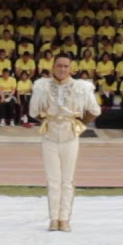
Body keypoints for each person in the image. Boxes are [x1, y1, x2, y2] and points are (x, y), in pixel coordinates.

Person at [28, 54, 101, 232]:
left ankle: (65, 218)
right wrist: (47, 120)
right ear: (53, 67)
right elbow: (33, 111)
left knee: (67, 180)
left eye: (66, 66)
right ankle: (54, 218)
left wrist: (79, 124)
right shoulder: (42, 86)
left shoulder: (81, 87)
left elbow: (95, 110)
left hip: (70, 136)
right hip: (50, 136)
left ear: (71, 68)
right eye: (59, 66)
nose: (62, 69)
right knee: (53, 179)